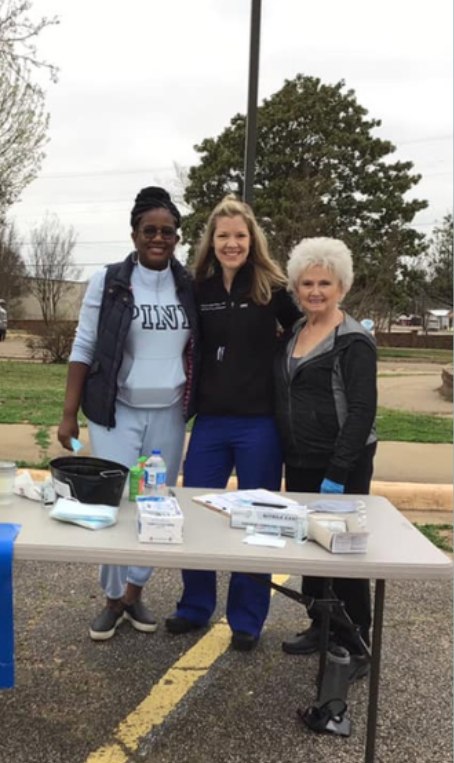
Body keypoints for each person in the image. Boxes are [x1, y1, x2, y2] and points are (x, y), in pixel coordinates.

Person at [57, 186, 199, 641]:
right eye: (150, 230)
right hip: (114, 412)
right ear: (135, 233)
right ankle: (111, 599)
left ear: (178, 237)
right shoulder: (111, 280)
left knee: (155, 505)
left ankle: (136, 593)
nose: (159, 238)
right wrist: (68, 415)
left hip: (170, 414)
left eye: (168, 231)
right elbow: (84, 345)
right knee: (114, 504)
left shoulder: (188, 285)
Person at [165, 196, 301, 651]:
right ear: (212, 241)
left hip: (259, 423)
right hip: (211, 423)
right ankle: (195, 606)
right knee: (196, 512)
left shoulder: (272, 286)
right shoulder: (197, 288)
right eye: (223, 236)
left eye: (240, 236)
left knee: (257, 522)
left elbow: (308, 331)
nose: (231, 243)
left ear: (252, 240)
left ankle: (246, 619)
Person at [273, 237, 377, 681]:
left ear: (342, 287)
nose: (315, 291)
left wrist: (338, 470)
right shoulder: (296, 331)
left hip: (341, 463)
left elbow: (361, 411)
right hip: (300, 458)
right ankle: (321, 624)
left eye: (325, 283)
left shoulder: (353, 340)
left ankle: (357, 642)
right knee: (312, 547)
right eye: (307, 283)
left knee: (344, 553)